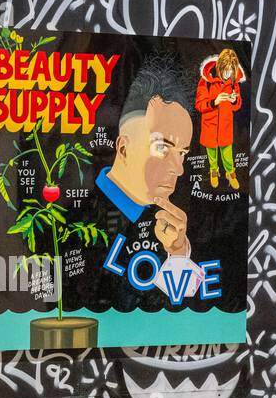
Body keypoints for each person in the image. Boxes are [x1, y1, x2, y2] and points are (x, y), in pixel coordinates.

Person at [71, 55, 204, 310]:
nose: (177, 168)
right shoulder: (75, 218)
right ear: (122, 148)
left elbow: (186, 315)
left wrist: (177, 252)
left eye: (183, 153)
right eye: (162, 147)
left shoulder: (173, 221)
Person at [194, 48, 245, 189]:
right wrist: (213, 102)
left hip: (225, 124)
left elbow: (237, 105)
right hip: (210, 124)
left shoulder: (234, 83)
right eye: (226, 70)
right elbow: (199, 105)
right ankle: (213, 171)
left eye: (231, 70)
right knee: (211, 152)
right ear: (220, 66)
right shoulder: (206, 81)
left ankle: (230, 173)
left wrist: (234, 100)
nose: (228, 74)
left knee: (227, 152)